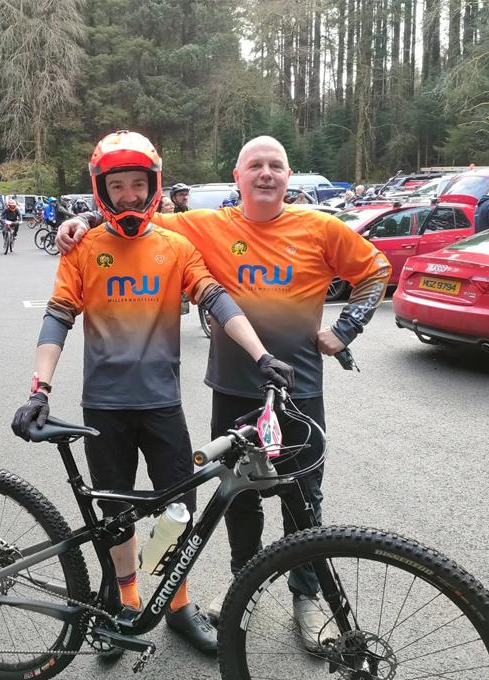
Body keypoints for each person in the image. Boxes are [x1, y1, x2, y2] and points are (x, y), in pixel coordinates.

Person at [56, 135, 392, 653]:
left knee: (303, 501)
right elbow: (131, 213)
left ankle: (306, 598)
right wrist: (79, 221)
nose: (265, 173)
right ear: (238, 177)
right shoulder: (207, 225)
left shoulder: (321, 227)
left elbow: (376, 270)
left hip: (296, 389)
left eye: (275, 165)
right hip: (234, 391)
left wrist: (346, 329)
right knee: (239, 499)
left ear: (288, 175)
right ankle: (243, 586)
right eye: (255, 165)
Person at [11, 130, 294, 657]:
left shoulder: (175, 246)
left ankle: (178, 606)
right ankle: (126, 602)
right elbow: (57, 318)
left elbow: (217, 301)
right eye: (116, 186)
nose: (129, 196)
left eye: (137, 185)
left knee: (178, 511)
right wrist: (39, 390)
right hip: (104, 409)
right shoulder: (83, 248)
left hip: (163, 405)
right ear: (102, 191)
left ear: (152, 186)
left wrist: (263, 357)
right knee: (116, 515)